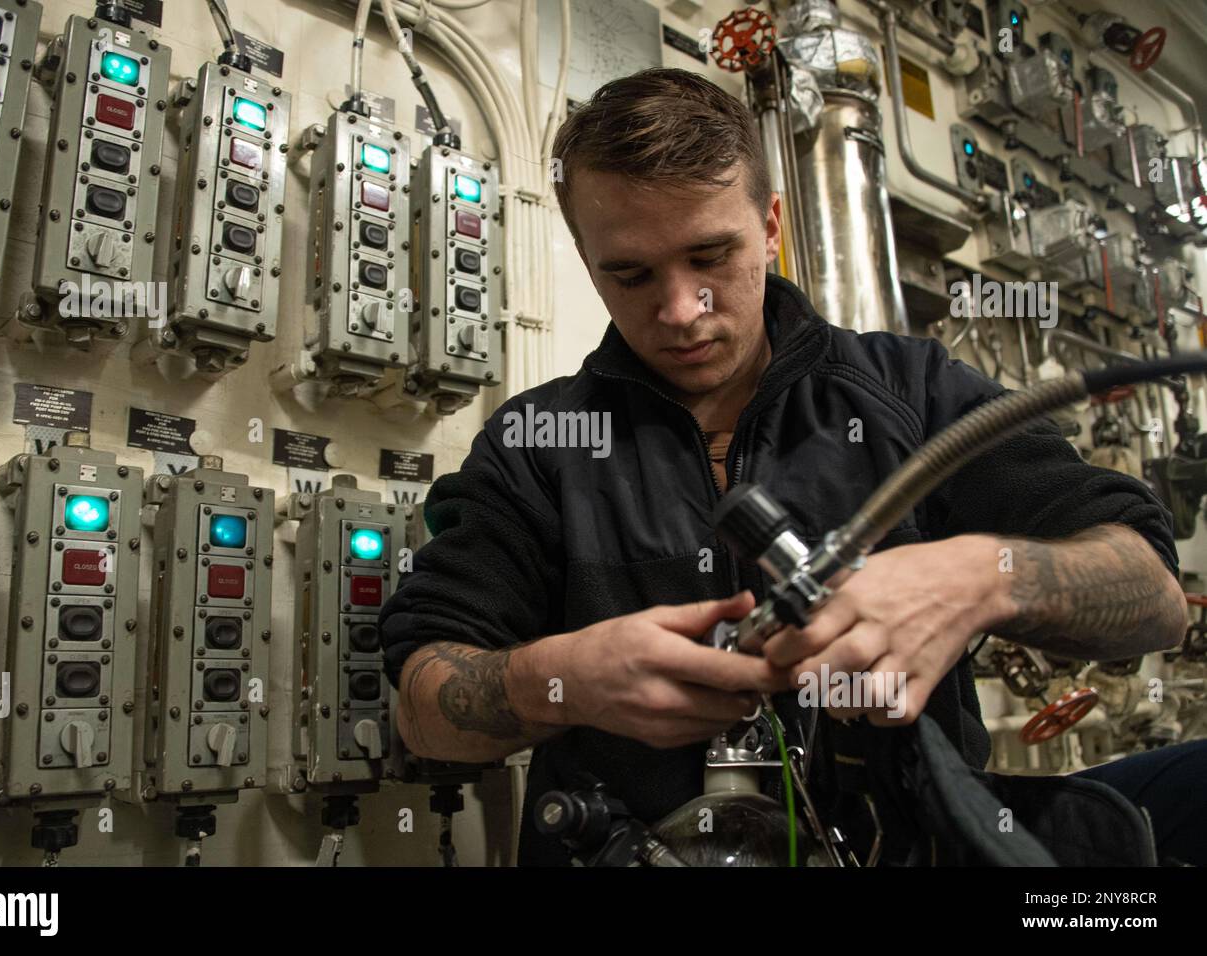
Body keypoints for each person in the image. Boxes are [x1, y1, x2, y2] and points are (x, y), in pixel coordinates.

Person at [378, 68, 1190, 865]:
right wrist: (557, 681)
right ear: (588, 260)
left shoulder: (915, 395)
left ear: (770, 227)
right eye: (630, 274)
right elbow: (422, 709)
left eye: (711, 256)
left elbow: (1155, 597)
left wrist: (984, 577)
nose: (680, 311)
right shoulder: (537, 443)